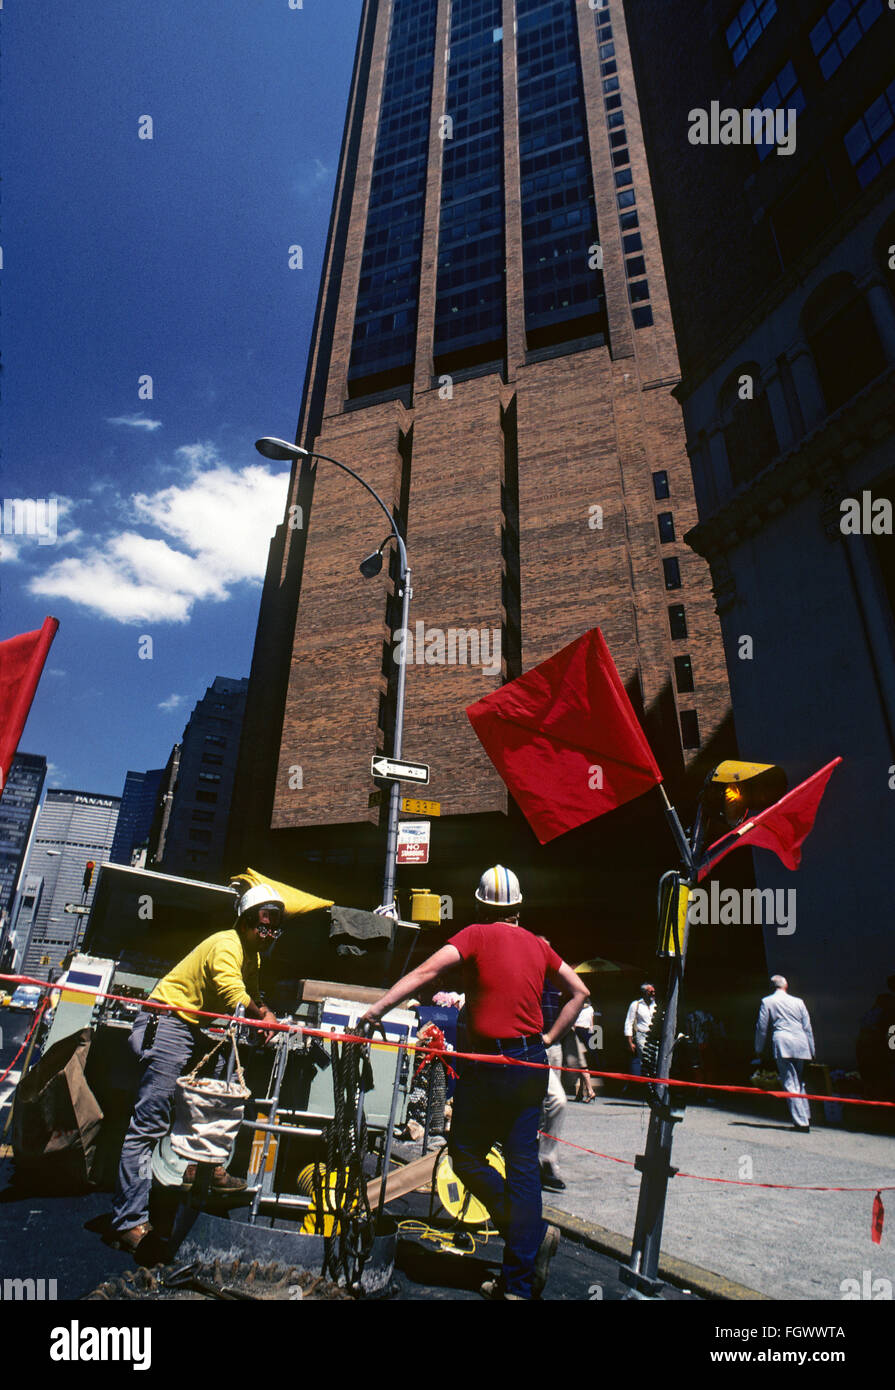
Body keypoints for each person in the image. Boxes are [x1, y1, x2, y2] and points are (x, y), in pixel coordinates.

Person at [360, 863, 589, 1300]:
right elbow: (580, 991)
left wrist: (376, 1009)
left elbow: (425, 973)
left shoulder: (475, 935)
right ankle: (519, 1281)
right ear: (518, 907)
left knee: (465, 1155)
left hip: (489, 1062)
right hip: (530, 1061)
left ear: (482, 905)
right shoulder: (540, 946)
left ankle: (531, 1237)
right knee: (523, 1167)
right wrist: (549, 1037)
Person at [108, 883, 283, 1253]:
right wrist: (264, 1016)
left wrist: (263, 1013)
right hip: (169, 1020)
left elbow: (251, 992)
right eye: (263, 927)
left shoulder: (252, 956)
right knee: (149, 1122)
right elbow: (233, 992)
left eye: (274, 929)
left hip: (193, 1027)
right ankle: (129, 1220)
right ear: (245, 922)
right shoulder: (227, 945)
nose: (268, 935)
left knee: (212, 1100)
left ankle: (202, 1166)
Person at [753, 975, 815, 1132]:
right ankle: (806, 1115)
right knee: (800, 1082)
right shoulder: (798, 1002)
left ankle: (801, 1122)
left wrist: (758, 1049)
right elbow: (807, 1027)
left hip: (783, 1043)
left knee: (789, 1082)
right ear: (786, 985)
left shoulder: (767, 1001)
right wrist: (812, 1049)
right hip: (801, 1044)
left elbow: (761, 1027)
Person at [538, 980, 568, 1192]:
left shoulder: (558, 978)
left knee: (549, 1108)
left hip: (554, 1045)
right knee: (552, 1102)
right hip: (534, 1045)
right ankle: (543, 1161)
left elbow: (574, 1004)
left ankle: (547, 1163)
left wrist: (555, 1036)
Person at [623, 982, 656, 1094]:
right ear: (644, 993)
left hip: (654, 1036)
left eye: (653, 991)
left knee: (655, 1061)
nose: (653, 993)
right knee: (646, 1061)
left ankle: (653, 1087)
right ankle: (648, 1089)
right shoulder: (636, 1004)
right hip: (642, 1036)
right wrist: (629, 1041)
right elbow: (629, 1022)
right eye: (650, 991)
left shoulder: (656, 1004)